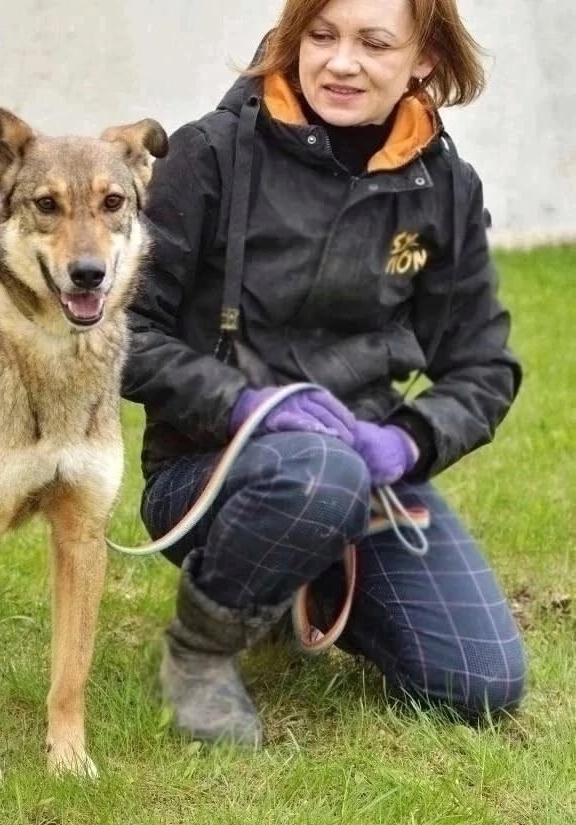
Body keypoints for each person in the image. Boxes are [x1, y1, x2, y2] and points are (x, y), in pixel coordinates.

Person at [122, 0, 526, 747]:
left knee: (480, 680)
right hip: (210, 471)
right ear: (293, 37)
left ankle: (288, 577)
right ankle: (201, 648)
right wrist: (247, 405)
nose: (341, 62)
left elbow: (483, 365)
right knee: (314, 473)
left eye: (374, 43)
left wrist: (405, 443)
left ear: (425, 58)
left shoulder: (444, 188)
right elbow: (122, 332)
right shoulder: (209, 154)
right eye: (322, 36)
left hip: (366, 479)